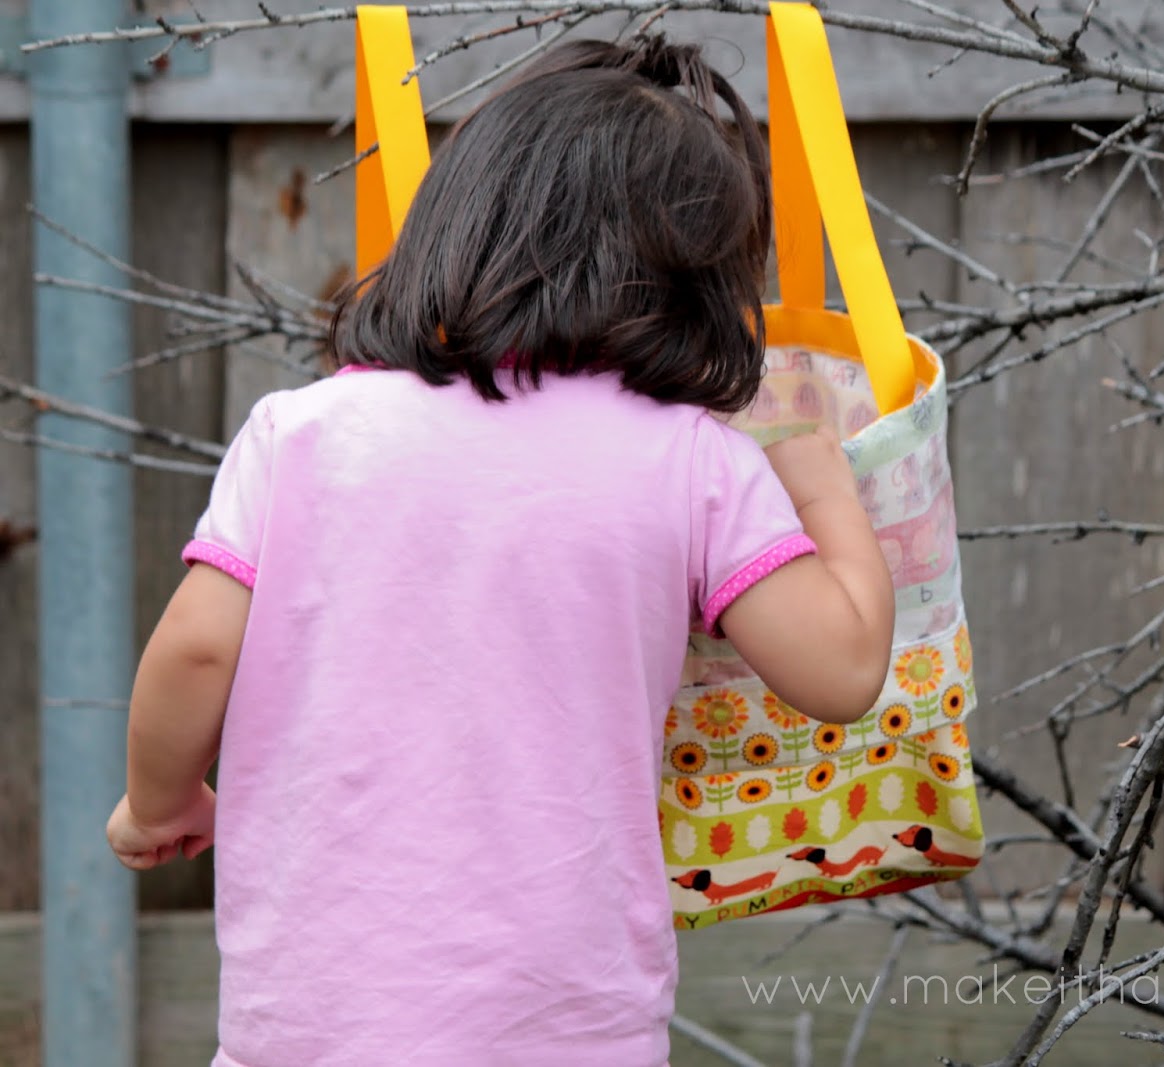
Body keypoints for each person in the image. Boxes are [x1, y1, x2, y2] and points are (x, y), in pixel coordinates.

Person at [103, 36, 894, 1067]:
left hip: (306, 1030)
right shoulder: (693, 462)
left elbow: (197, 649)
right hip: (565, 1030)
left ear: (454, 224)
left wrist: (161, 801)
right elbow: (840, 669)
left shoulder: (300, 433)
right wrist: (829, 491)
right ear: (698, 284)